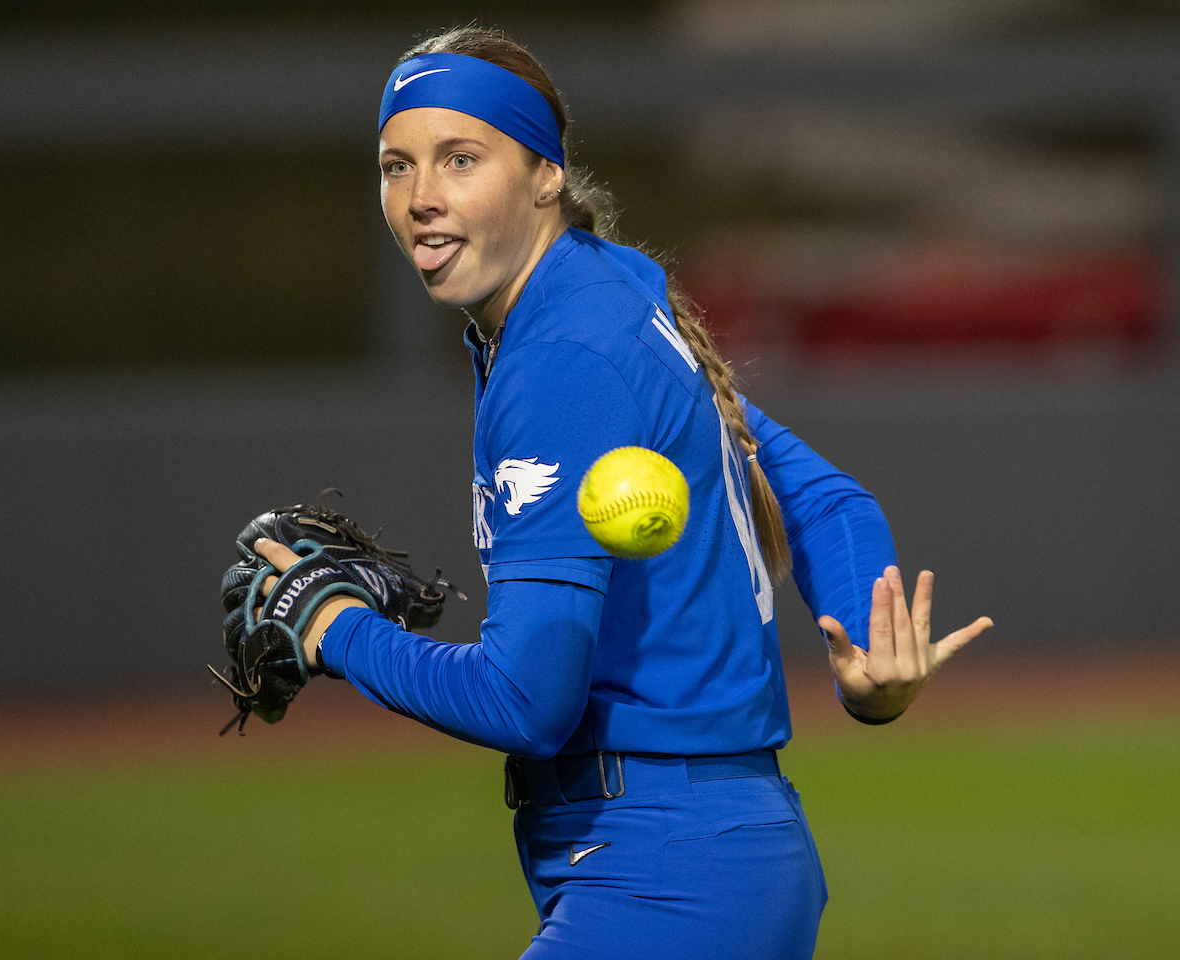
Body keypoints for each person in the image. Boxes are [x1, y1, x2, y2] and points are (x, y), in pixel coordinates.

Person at [253, 26, 992, 960]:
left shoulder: (562, 355)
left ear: (546, 173)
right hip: (711, 857)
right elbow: (832, 502)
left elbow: (527, 701)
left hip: (667, 878)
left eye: (461, 158)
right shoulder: (599, 297)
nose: (422, 199)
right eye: (396, 167)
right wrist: (873, 665)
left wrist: (332, 629)